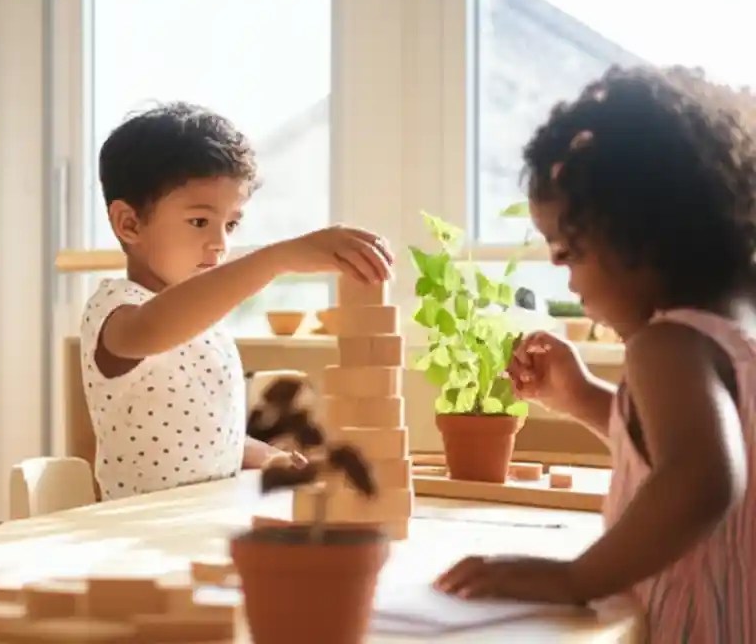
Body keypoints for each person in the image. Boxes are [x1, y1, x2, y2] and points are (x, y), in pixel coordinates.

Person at [435, 66, 756, 641]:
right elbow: (684, 447)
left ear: (644, 236)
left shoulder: (668, 346)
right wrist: (583, 399)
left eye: (568, 250)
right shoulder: (737, 336)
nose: (561, 272)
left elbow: (704, 476)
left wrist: (575, 577)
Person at [80, 101, 395, 500]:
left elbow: (206, 438)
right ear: (129, 223)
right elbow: (152, 327)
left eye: (231, 224)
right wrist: (277, 259)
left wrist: (267, 457)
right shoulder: (116, 311)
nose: (220, 244)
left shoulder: (204, 324)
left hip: (205, 518)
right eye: (199, 222)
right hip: (139, 526)